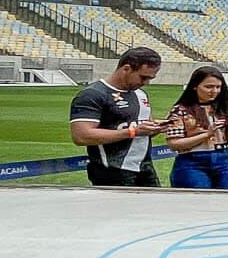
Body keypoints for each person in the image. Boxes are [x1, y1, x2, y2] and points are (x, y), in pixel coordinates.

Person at [69, 47, 173, 187]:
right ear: (126, 69)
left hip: (144, 168)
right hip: (111, 170)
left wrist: (155, 128)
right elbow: (81, 136)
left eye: (150, 78)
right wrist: (133, 131)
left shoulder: (140, 94)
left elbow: (141, 130)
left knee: (152, 208)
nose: (147, 82)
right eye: (143, 77)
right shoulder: (92, 94)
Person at [166, 64, 228, 190]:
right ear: (195, 86)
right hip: (192, 161)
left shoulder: (226, 108)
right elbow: (174, 144)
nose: (214, 91)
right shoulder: (180, 110)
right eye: (208, 87)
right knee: (198, 201)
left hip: (225, 159)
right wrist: (206, 135)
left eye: (218, 87)